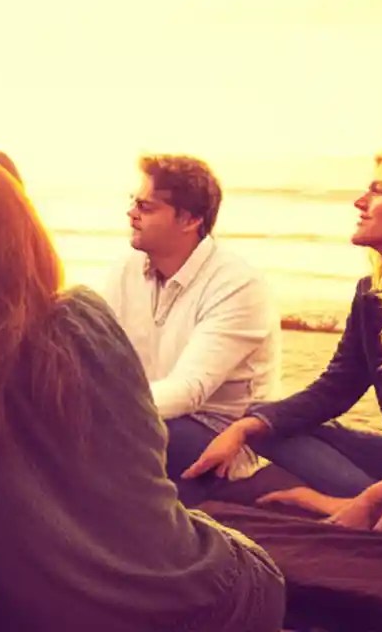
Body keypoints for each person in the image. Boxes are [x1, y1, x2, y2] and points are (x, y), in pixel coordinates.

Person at [0, 152, 284, 631]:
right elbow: (143, 466)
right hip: (190, 599)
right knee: (236, 557)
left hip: (41, 613)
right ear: (21, 228)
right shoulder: (83, 316)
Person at [187, 148, 382, 527]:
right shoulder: (372, 296)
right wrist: (244, 427)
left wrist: (370, 498)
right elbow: (334, 389)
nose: (360, 201)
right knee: (271, 427)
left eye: (378, 191)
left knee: (373, 501)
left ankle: (350, 505)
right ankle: (370, 506)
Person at [102, 154, 280, 504]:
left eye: (145, 206)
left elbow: (189, 390)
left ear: (190, 219)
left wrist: (102, 410)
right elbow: (100, 357)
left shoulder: (237, 284)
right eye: (132, 202)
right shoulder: (126, 270)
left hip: (220, 438)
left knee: (119, 444)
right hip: (146, 418)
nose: (131, 213)